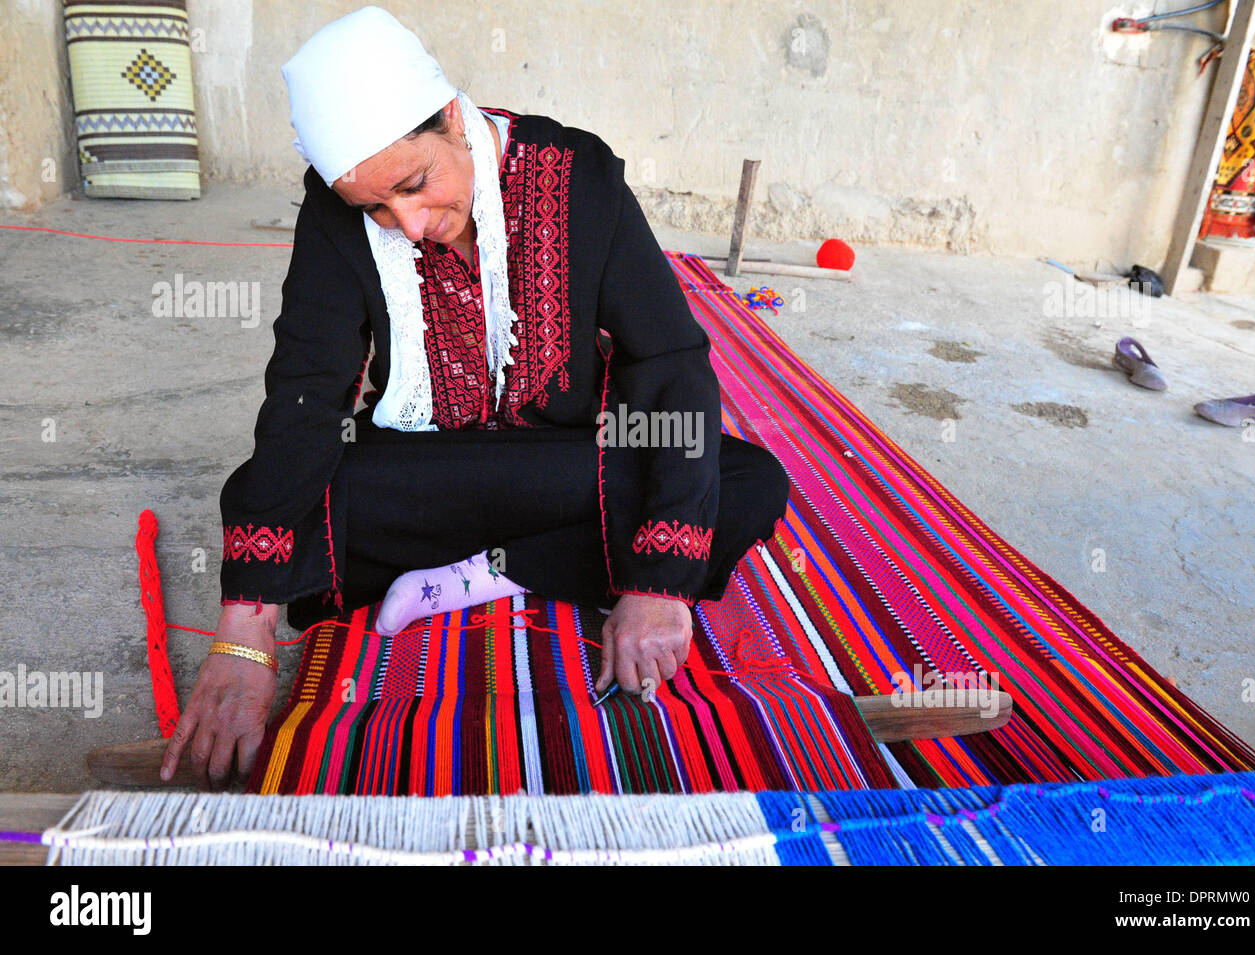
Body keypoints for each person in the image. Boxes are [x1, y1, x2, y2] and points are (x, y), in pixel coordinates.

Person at [161, 6, 789, 790]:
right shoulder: (333, 212)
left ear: (455, 118)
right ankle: (535, 563)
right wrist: (244, 630)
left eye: (415, 186)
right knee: (304, 486)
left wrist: (659, 583)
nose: (410, 225)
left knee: (747, 480)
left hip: (560, 468)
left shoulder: (579, 176)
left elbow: (667, 362)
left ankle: (487, 575)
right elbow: (305, 395)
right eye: (377, 210)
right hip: (420, 482)